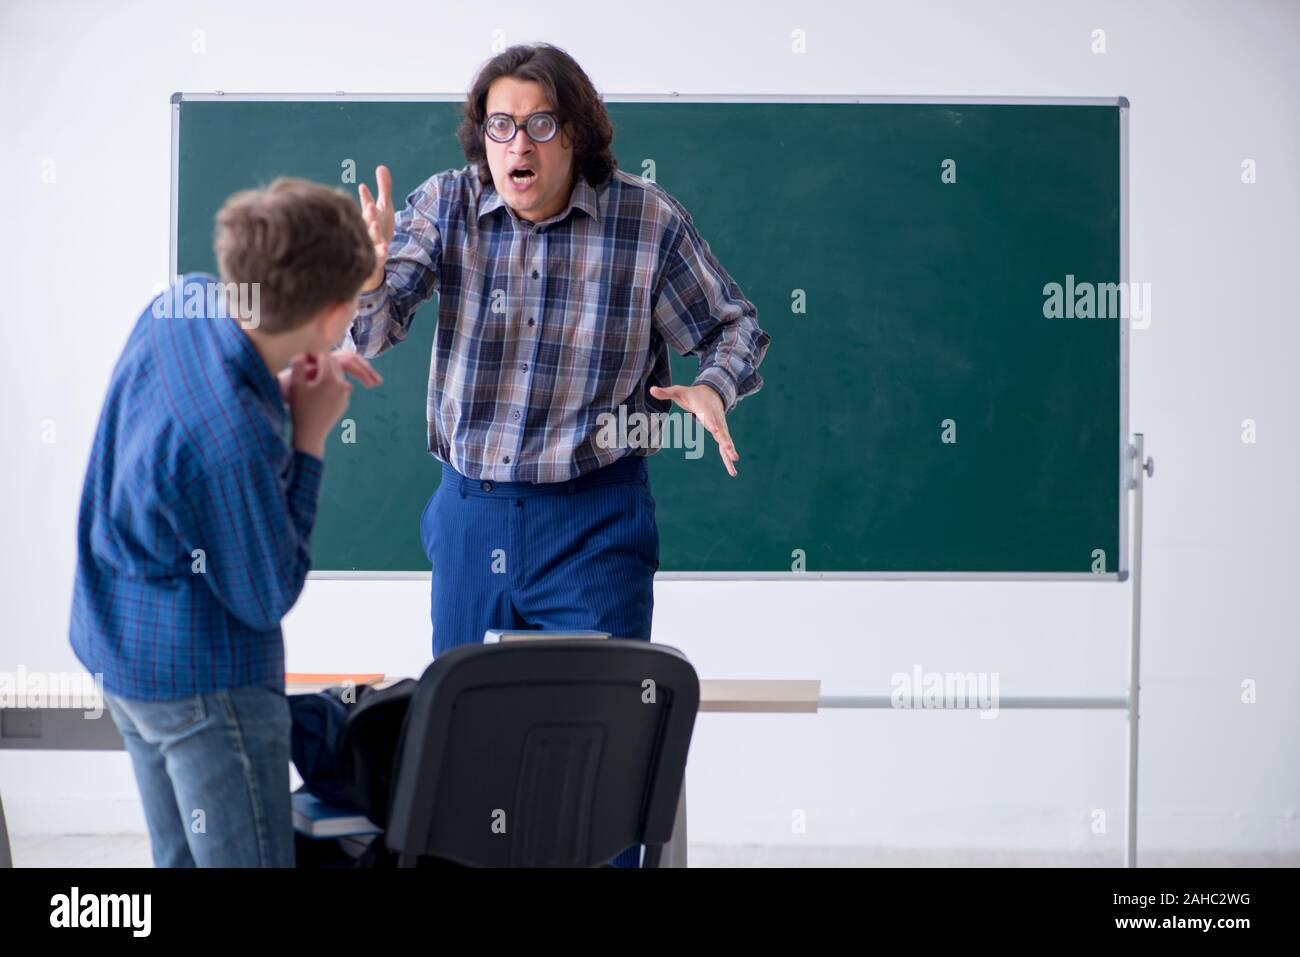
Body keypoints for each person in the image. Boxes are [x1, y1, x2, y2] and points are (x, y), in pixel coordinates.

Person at [70, 179, 382, 867]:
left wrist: (281, 384)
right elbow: (265, 592)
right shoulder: (234, 438)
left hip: (119, 650)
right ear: (333, 317)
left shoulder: (183, 298)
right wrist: (310, 436)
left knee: (179, 858)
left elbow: (178, 432)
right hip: (205, 685)